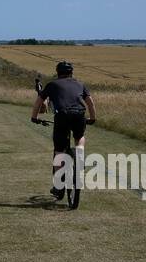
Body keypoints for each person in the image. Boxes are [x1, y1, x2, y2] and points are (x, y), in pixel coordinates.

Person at [30, 61, 96, 199]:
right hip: (79, 113)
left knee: (59, 149)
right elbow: (89, 101)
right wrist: (92, 118)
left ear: (57, 72)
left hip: (62, 115)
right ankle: (80, 154)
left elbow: (39, 101)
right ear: (71, 72)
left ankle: (59, 186)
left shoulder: (52, 85)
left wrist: (34, 117)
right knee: (79, 137)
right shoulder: (80, 84)